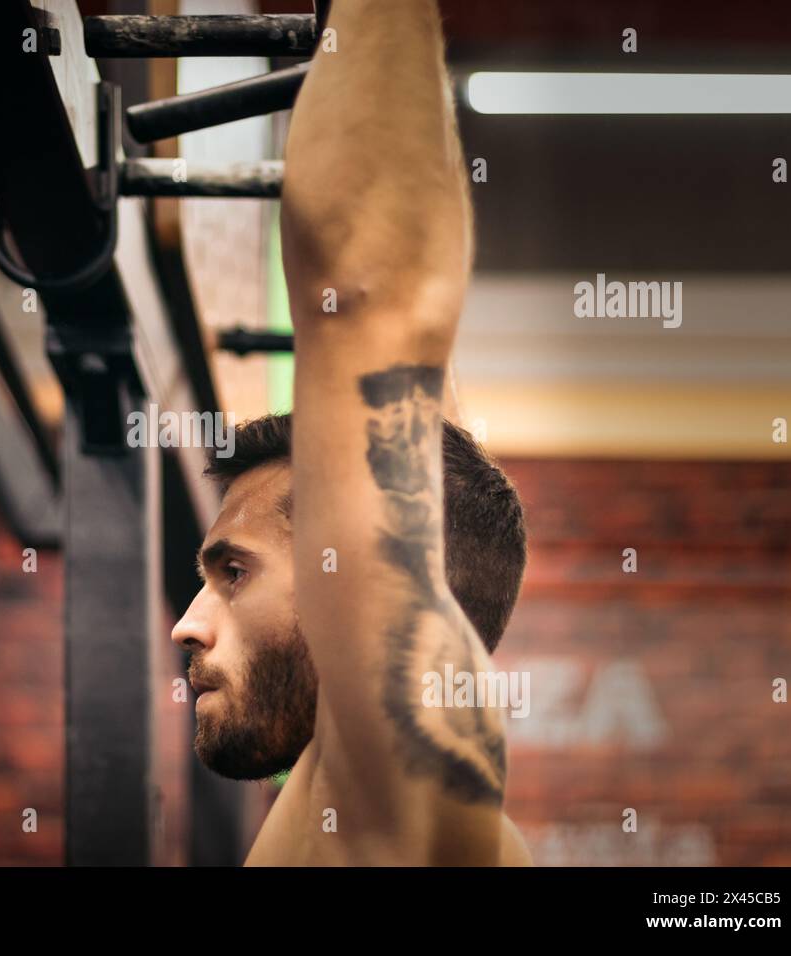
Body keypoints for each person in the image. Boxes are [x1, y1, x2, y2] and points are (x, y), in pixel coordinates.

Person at [170, 0, 531, 865]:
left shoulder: (394, 774)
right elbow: (418, 419)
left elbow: (371, 295)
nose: (186, 625)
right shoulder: (340, 804)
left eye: (234, 571)